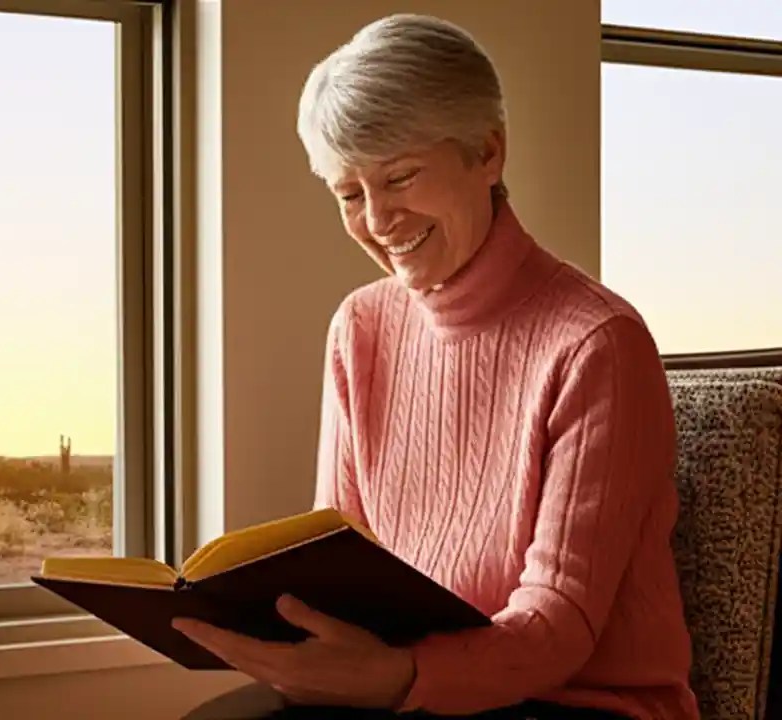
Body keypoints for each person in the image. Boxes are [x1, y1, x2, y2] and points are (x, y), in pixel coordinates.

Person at [173, 13, 698, 720]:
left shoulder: (596, 343)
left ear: (488, 152)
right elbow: (338, 559)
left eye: (400, 177)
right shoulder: (360, 328)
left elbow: (559, 622)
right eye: (350, 195)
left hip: (577, 699)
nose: (378, 220)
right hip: (403, 685)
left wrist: (397, 678)